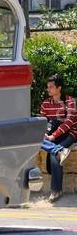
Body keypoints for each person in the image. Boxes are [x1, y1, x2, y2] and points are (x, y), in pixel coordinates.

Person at [39, 74, 77, 202]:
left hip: (70, 133)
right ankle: (58, 150)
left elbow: (69, 123)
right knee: (38, 140)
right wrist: (45, 133)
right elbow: (43, 122)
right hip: (52, 135)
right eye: (47, 87)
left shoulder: (70, 101)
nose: (48, 89)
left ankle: (56, 191)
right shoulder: (45, 104)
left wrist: (52, 137)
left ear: (59, 88)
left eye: (51, 87)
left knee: (53, 155)